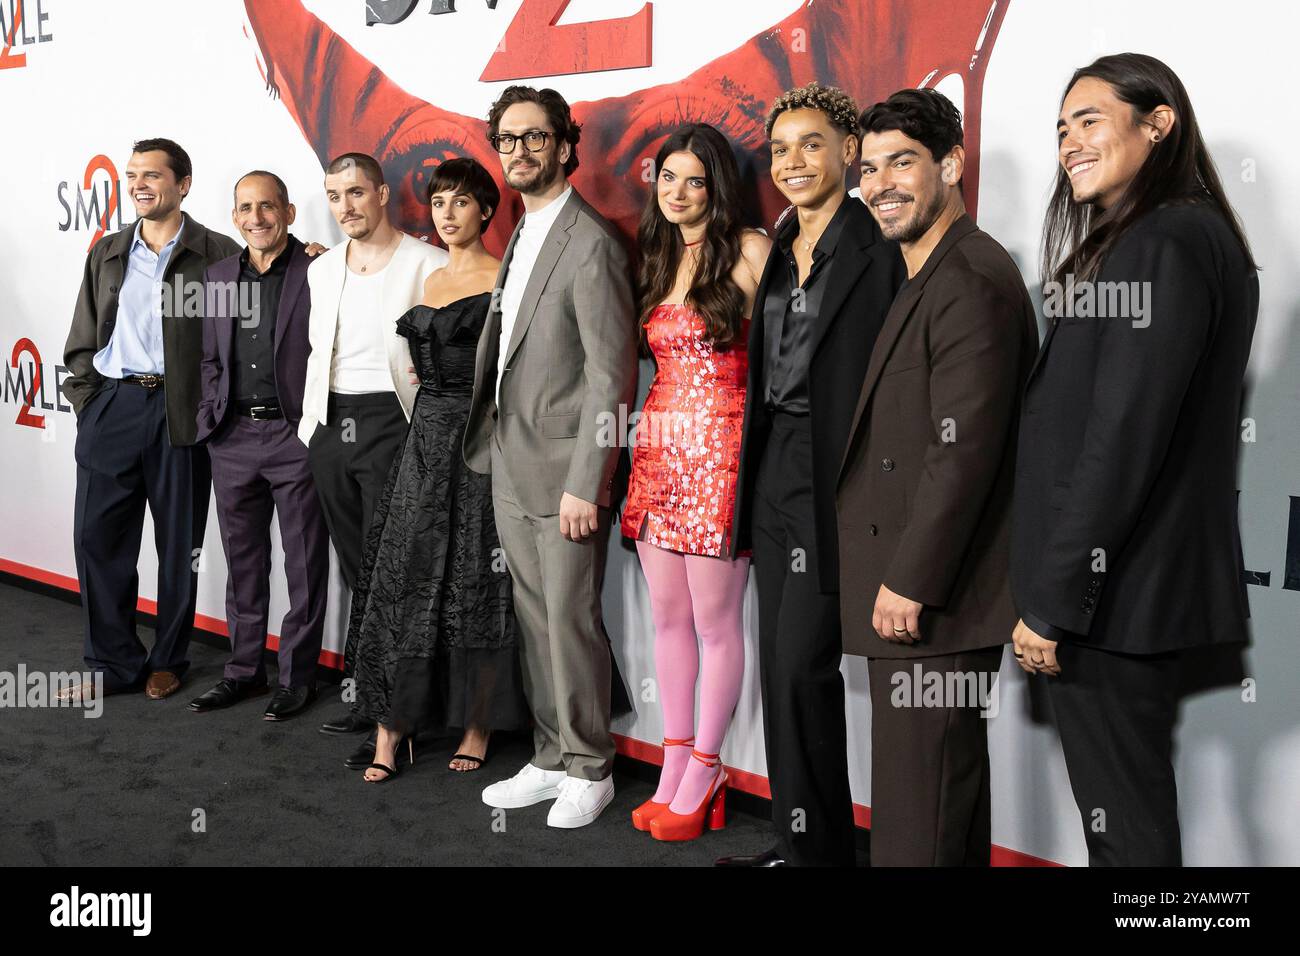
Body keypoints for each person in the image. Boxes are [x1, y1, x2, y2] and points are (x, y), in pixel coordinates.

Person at [1012, 53, 1259, 866]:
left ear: (1158, 124)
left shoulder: (1167, 239)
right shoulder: (1168, 236)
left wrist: (1055, 600)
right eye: (1060, 129)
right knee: (1123, 823)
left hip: (1118, 595)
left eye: (1089, 120)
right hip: (1124, 590)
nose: (1069, 143)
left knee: (1127, 832)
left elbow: (1124, 437)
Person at [840, 89, 1037, 865]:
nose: (880, 182)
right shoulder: (931, 268)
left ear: (951, 165)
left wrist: (911, 579)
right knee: (934, 799)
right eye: (870, 167)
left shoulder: (969, 278)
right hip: (926, 593)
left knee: (919, 814)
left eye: (903, 162)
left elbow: (967, 451)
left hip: (937, 600)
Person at [715, 84, 907, 867]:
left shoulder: (881, 248)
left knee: (801, 672)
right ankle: (803, 847)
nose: (793, 161)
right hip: (774, 473)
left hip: (839, 477)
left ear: (850, 151)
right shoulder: (782, 244)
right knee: (782, 675)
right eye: (781, 147)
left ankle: (820, 855)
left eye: (812, 144)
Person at [465, 86, 638, 829]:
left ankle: (591, 765)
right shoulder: (524, 233)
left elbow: (612, 375)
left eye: (536, 138)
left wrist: (586, 483)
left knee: (569, 621)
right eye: (508, 140)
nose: (521, 152)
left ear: (566, 147)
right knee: (535, 619)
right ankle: (549, 753)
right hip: (511, 461)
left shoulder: (591, 241)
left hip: (565, 472)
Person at [344, 158, 528, 782]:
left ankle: (476, 724)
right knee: (407, 575)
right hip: (423, 438)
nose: (448, 215)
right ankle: (392, 731)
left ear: (485, 211)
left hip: (480, 440)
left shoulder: (505, 277)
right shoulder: (426, 280)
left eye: (461, 203)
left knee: (477, 578)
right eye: (440, 202)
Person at [621, 123, 771, 841]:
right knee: (667, 619)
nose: (678, 194)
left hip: (722, 454)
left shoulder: (750, 249)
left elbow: (788, 360)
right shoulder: (655, 255)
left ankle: (708, 767)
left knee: (716, 624)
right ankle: (673, 765)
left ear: (719, 186)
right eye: (667, 179)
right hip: (657, 450)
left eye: (695, 181)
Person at [59, 138, 240, 702]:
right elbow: (84, 331)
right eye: (132, 173)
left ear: (182, 184)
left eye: (152, 175)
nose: (139, 183)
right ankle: (113, 662)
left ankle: (168, 658)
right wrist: (89, 400)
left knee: (179, 542)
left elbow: (236, 340)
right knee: (97, 539)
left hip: (181, 413)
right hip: (112, 407)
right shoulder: (109, 250)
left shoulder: (217, 253)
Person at [304, 152, 449, 740]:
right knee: (357, 565)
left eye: (357, 193)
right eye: (335, 197)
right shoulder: (319, 268)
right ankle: (368, 696)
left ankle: (404, 707)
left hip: (395, 420)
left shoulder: (427, 262)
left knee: (398, 568)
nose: (346, 208)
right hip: (330, 423)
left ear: (383, 194)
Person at [188, 170, 330, 721]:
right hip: (232, 439)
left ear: (288, 213)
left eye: (267, 207)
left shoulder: (319, 269)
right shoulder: (219, 275)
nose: (257, 218)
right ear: (234, 217)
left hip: (295, 438)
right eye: (245, 208)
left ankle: (298, 680)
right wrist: (211, 419)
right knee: (243, 563)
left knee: (303, 565)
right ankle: (243, 672)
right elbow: (209, 358)